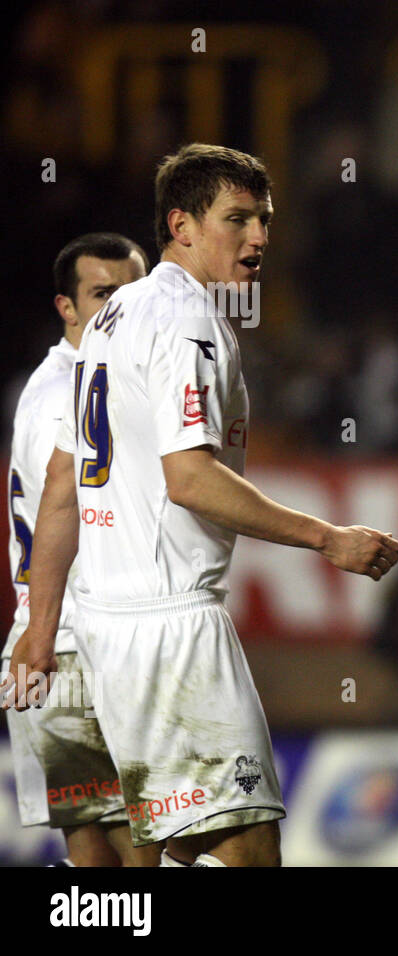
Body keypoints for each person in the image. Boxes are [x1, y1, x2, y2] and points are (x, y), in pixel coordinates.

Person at [2, 144, 398, 867]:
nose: (258, 239)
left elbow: (62, 488)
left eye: (265, 220)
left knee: (148, 859)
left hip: (103, 632)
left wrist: (41, 624)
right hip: (170, 629)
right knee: (249, 851)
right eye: (238, 219)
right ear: (180, 224)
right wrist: (326, 538)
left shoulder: (113, 317)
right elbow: (190, 479)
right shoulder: (189, 322)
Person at [2, 232, 159, 866]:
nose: (120, 308)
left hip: (51, 647)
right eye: (102, 295)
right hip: (78, 647)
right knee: (147, 847)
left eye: (132, 292)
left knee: (96, 858)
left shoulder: (63, 383)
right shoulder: (68, 396)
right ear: (66, 307)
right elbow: (63, 513)